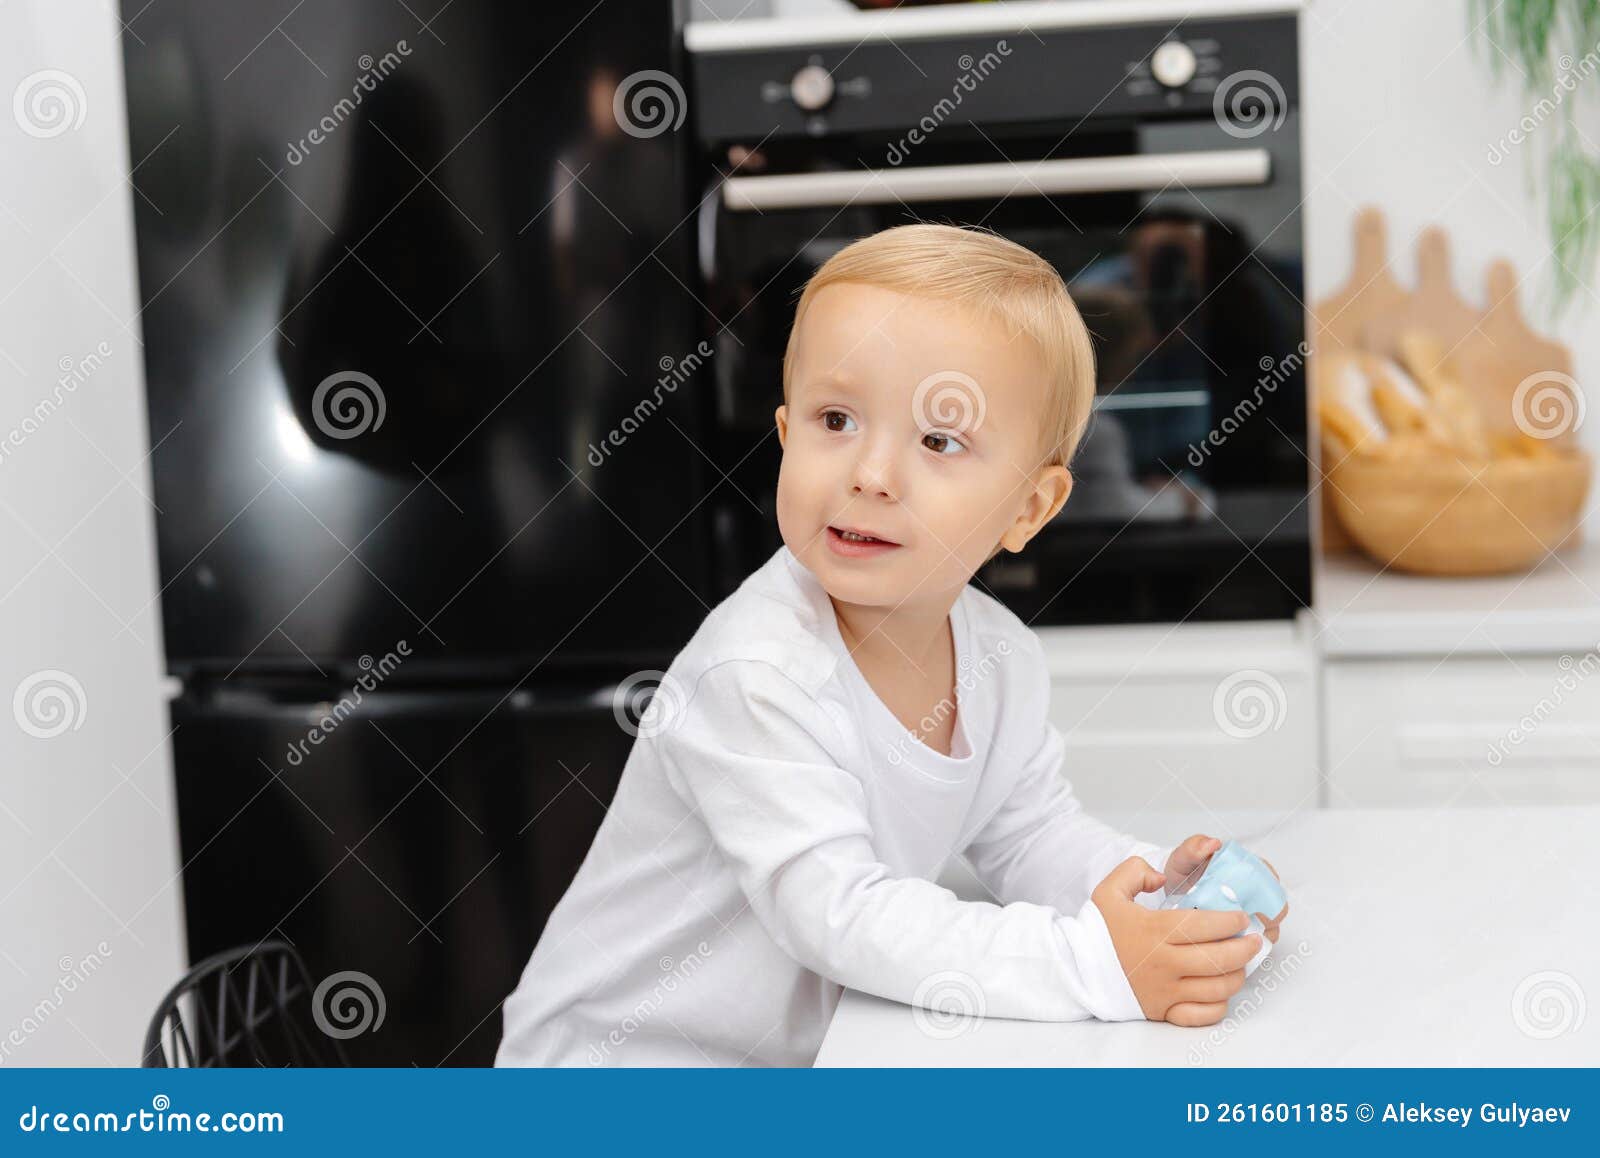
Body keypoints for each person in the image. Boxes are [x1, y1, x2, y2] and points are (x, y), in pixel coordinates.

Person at [495, 223, 1288, 1067]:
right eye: (836, 419)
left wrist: (1168, 897)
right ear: (786, 434)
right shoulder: (758, 672)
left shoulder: (1000, 660)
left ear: (1030, 508)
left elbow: (1030, 836)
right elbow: (840, 914)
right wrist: (1096, 968)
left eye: (940, 440)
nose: (870, 474)